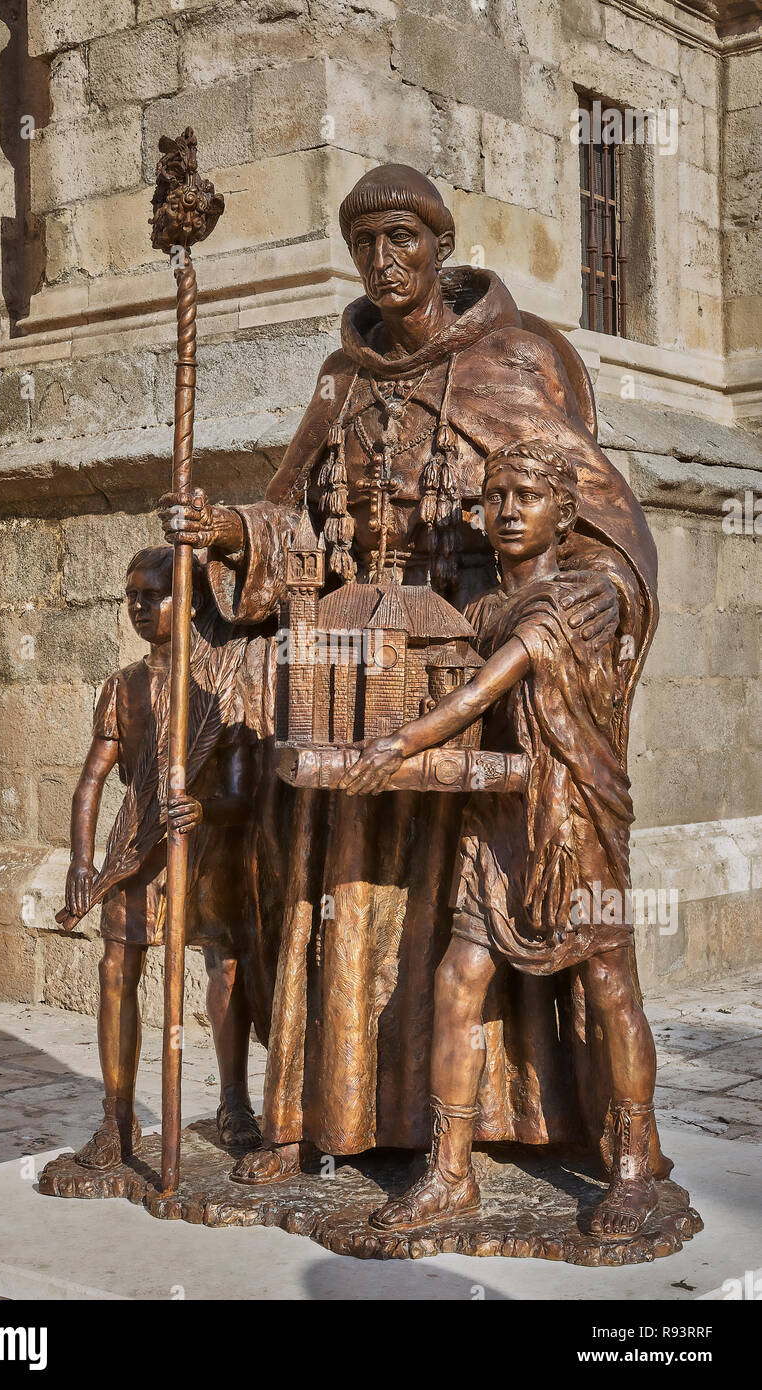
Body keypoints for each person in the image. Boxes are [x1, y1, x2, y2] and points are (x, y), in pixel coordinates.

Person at [161, 164, 661, 1189]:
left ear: (438, 246)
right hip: (344, 679)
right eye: (364, 246)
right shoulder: (339, 383)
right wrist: (226, 531)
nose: (383, 264)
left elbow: (601, 529)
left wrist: (578, 610)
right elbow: (294, 529)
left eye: (403, 240)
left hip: (471, 679)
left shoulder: (515, 360)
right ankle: (321, 1120)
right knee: (330, 897)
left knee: (461, 933)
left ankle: (485, 1139)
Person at [341, 440, 666, 1238]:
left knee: (609, 983)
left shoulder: (581, 596)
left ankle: (630, 1165)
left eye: (527, 495)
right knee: (458, 978)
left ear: (565, 512)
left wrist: (402, 743)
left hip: (576, 822)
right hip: (502, 828)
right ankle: (450, 1173)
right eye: (496, 496)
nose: (510, 510)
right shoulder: (482, 611)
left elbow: (495, 683)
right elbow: (452, 671)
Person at [62, 545, 280, 1167]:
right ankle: (116, 1118)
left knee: (225, 968)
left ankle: (234, 1101)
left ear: (186, 602)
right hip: (135, 851)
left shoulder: (220, 689)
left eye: (152, 595)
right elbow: (91, 782)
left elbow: (245, 792)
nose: (138, 606)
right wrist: (82, 862)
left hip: (206, 851)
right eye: (130, 595)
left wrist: (206, 810)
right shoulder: (123, 687)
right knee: (115, 972)